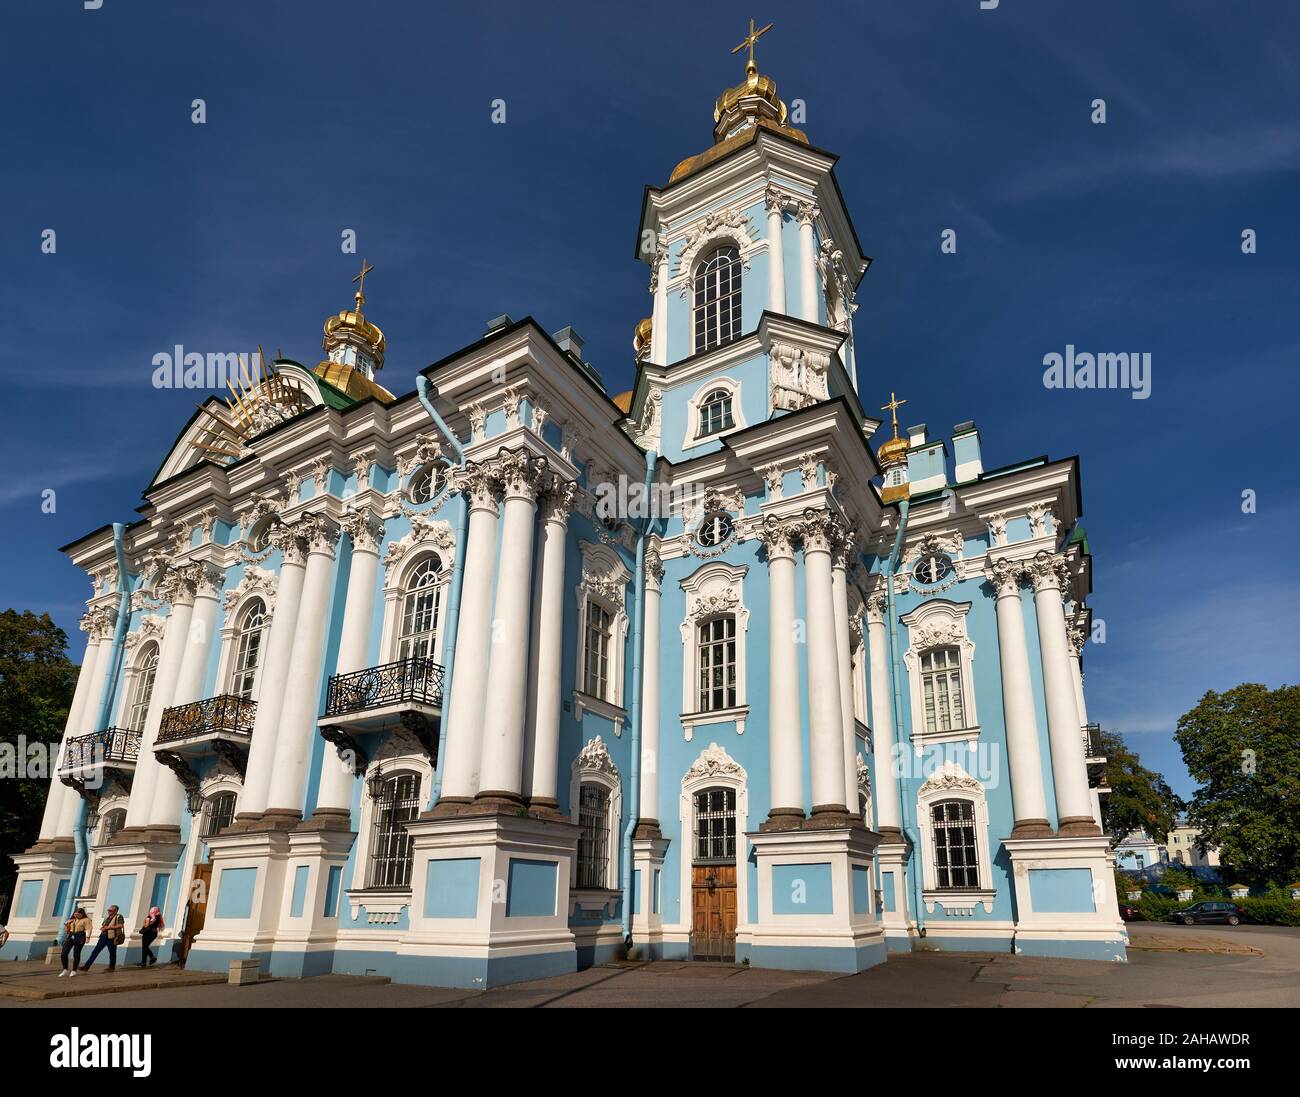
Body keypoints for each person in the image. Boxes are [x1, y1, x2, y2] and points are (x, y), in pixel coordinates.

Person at [79, 904, 125, 973]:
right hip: (103, 937)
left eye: (110, 910)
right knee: (95, 951)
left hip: (111, 938)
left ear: (115, 911)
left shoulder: (119, 916)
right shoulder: (107, 917)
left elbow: (121, 925)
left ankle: (111, 967)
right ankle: (86, 967)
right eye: (108, 910)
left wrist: (109, 928)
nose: (108, 912)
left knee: (112, 953)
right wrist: (103, 928)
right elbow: (104, 925)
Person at [58, 907, 92, 977]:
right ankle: (65, 969)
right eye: (75, 913)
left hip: (80, 936)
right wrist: (67, 925)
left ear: (82, 914)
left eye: (78, 914)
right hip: (71, 936)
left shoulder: (86, 920)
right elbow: (67, 931)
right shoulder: (72, 920)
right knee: (63, 953)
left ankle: (74, 970)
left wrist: (88, 937)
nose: (76, 915)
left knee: (76, 954)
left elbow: (89, 929)